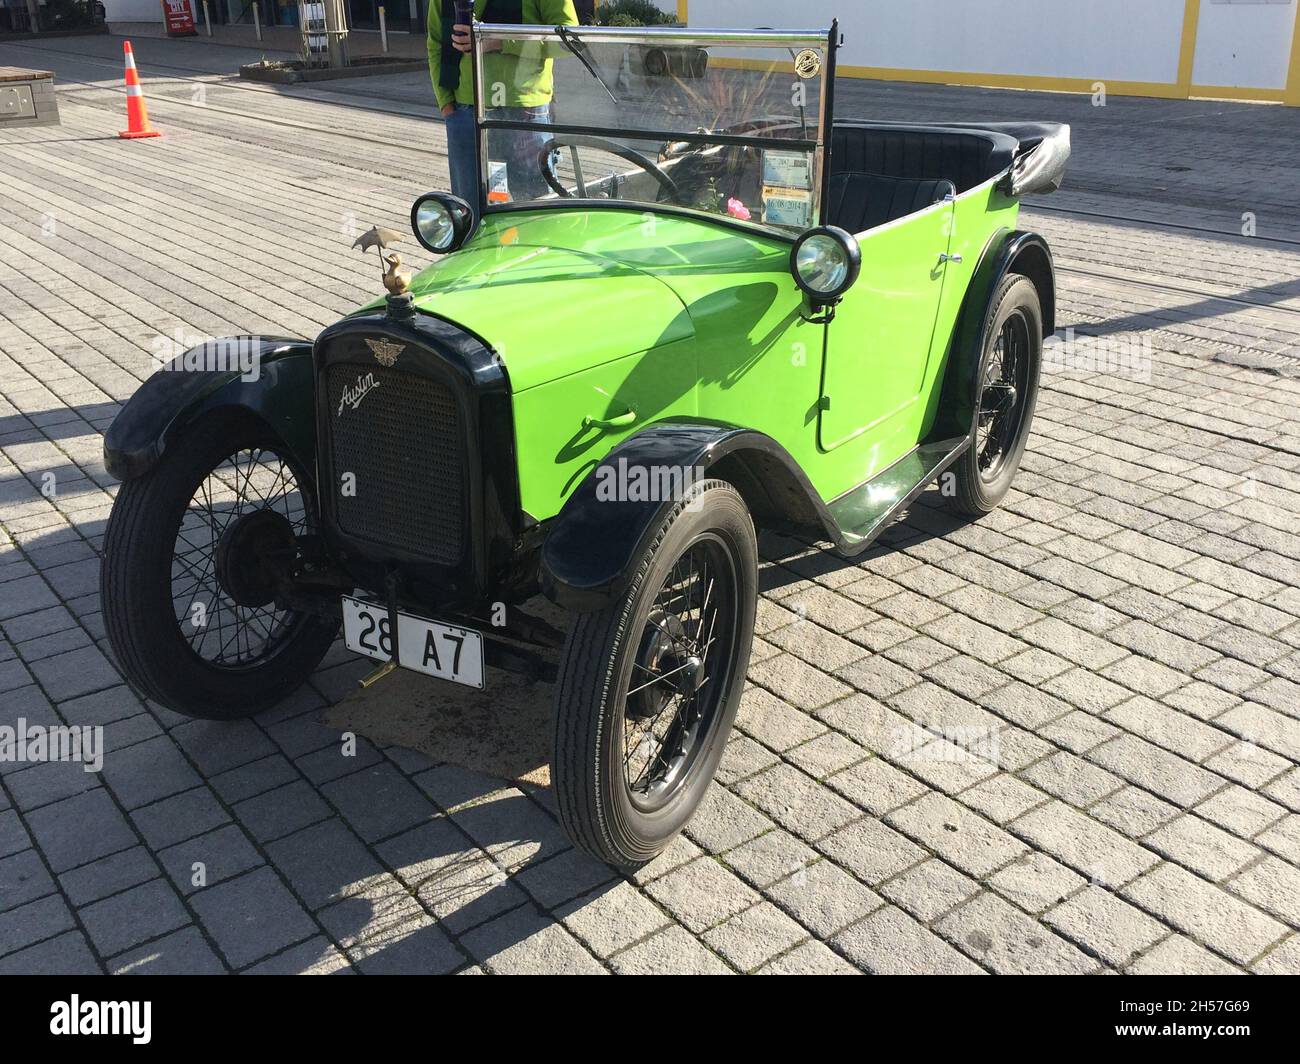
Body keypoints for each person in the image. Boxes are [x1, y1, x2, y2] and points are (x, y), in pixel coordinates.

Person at [429, 1, 579, 216]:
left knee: (537, 211)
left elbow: (569, 39)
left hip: (524, 112)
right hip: (466, 111)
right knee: (470, 214)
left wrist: (500, 41)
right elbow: (435, 42)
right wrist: (446, 104)